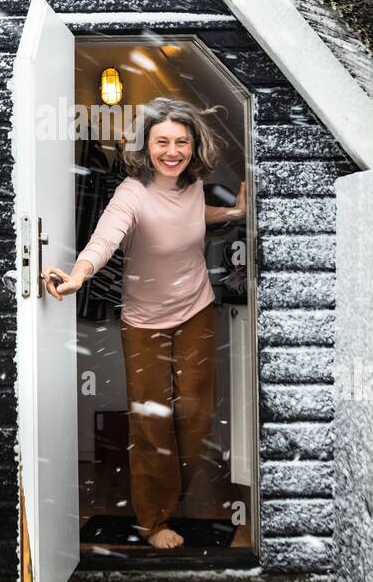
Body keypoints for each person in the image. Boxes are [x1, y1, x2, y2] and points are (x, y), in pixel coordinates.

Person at [42, 97, 247, 550]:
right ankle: (153, 520)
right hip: (143, 321)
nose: (172, 151)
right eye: (162, 142)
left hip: (196, 311)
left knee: (195, 416)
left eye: (181, 142)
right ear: (146, 145)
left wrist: (232, 214)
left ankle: (168, 494)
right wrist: (79, 273)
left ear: (193, 147)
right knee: (151, 421)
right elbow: (107, 236)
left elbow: (189, 218)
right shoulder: (131, 193)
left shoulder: (193, 186)